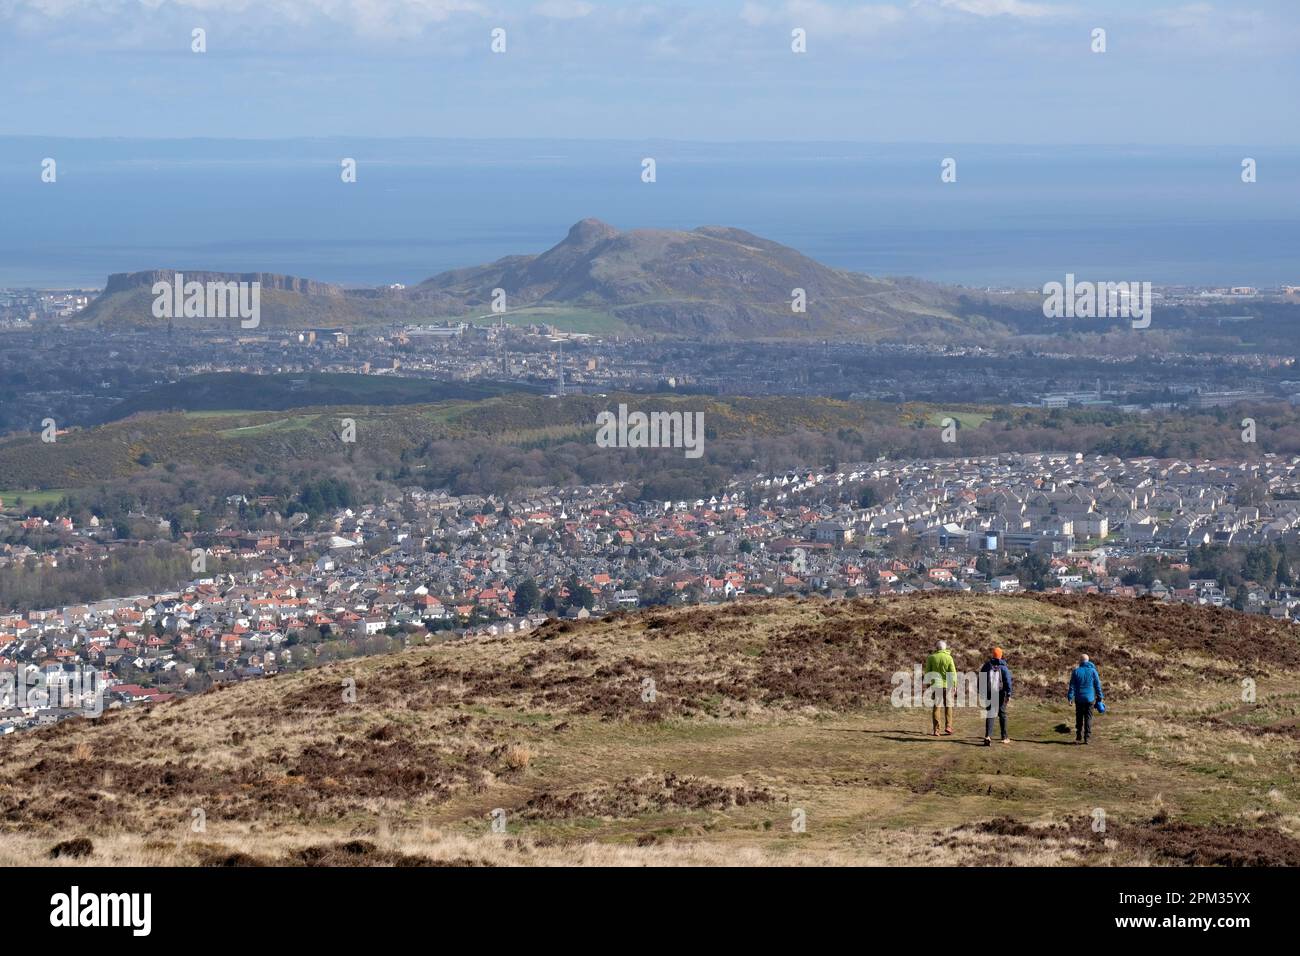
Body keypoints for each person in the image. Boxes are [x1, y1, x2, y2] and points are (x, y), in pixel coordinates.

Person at [923, 640, 958, 736]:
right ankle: (948, 726)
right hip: (948, 685)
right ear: (945, 648)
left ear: (936, 648)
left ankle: (936, 730)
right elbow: (953, 673)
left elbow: (927, 673)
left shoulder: (931, 658)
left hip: (936, 686)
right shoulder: (949, 658)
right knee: (948, 706)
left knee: (936, 708)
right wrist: (954, 685)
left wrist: (927, 685)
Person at [1067, 653, 1104, 744]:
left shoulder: (1076, 671)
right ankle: (1087, 738)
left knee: (1079, 717)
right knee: (1088, 718)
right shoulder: (1093, 671)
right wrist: (1100, 697)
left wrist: (1070, 697)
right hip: (1090, 698)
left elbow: (1072, 686)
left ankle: (1078, 736)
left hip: (1079, 698)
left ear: (1080, 661)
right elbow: (1097, 685)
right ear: (1088, 661)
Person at [980, 646, 1012, 746]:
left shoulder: (986, 666)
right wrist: (1009, 693)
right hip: (1001, 694)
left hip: (990, 693)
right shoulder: (1003, 667)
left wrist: (981, 692)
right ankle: (1004, 737)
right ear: (1001, 655)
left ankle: (988, 736)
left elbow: (981, 679)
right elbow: (1007, 681)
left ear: (993, 655)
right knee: (1002, 714)